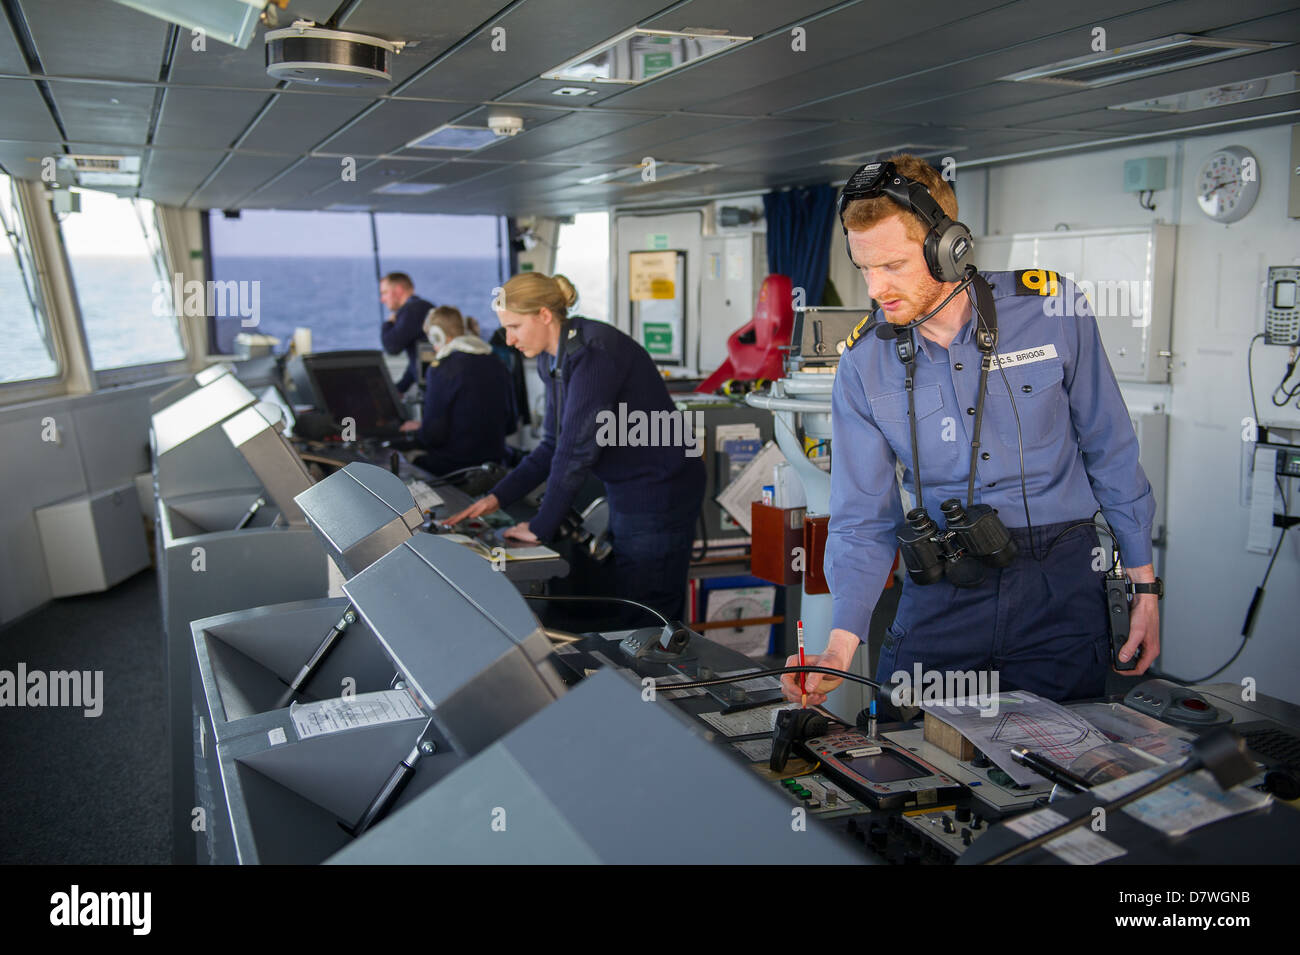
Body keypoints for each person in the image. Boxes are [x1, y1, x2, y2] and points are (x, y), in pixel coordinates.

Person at [782, 154, 1161, 708]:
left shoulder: (1053, 308)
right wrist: (839, 645)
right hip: (943, 579)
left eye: (891, 266)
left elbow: (1111, 448)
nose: (875, 288)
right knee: (904, 757)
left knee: (1055, 763)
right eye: (864, 268)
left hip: (1059, 582)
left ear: (949, 247)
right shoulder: (863, 364)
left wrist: (1143, 586)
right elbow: (862, 516)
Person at [444, 272, 706, 625]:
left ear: (545, 315)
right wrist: (496, 499)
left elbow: (576, 450)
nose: (509, 339)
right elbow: (552, 443)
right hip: (626, 487)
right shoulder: (551, 359)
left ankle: (661, 681)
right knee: (628, 600)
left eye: (516, 326)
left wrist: (541, 526)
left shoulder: (595, 352)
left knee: (647, 610)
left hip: (659, 489)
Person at [398, 305, 515, 475]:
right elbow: (510, 424)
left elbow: (432, 436)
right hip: (495, 461)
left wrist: (420, 430)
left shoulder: (442, 368)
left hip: (456, 465)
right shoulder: (496, 360)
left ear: (438, 336)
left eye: (432, 340)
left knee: (404, 458)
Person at [379, 272, 434, 393]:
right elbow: (421, 357)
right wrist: (401, 387)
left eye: (384, 293)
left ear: (398, 290)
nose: (382, 299)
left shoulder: (412, 311)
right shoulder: (424, 307)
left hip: (434, 390)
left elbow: (391, 346)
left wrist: (388, 324)